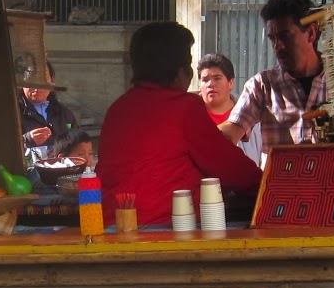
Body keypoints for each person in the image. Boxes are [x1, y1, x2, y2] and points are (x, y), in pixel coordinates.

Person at [99, 21, 262, 227]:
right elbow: (233, 169)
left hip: (109, 229)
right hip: (160, 233)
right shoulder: (184, 108)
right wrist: (270, 187)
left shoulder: (117, 109)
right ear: (181, 70)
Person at [219, 0, 326, 159]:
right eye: (272, 38)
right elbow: (231, 130)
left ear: (311, 33)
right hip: (280, 184)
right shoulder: (262, 85)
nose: (278, 46)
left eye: (286, 36)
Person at [196, 53, 260, 164]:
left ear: (230, 83)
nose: (211, 84)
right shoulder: (188, 115)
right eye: (205, 80)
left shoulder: (251, 115)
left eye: (217, 78)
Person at [17, 62, 80, 164]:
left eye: (43, 78)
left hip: (61, 175)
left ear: (52, 81)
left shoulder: (64, 113)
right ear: (22, 82)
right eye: (32, 79)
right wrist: (27, 140)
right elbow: (3, 147)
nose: (38, 85)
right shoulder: (13, 113)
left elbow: (78, 143)